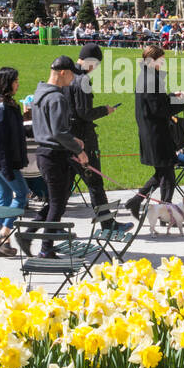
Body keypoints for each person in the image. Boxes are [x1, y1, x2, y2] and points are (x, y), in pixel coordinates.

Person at [29, 56, 89, 257]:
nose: (73, 80)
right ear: (63, 72)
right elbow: (58, 132)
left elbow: (54, 129)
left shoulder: (40, 92)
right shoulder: (56, 98)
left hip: (45, 153)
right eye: (72, 75)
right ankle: (46, 248)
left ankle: (30, 233)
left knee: (59, 200)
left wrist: (73, 140)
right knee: (57, 204)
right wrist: (79, 151)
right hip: (54, 155)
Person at [67, 43, 130, 233]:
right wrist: (106, 110)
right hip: (83, 140)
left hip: (66, 138)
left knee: (62, 191)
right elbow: (85, 113)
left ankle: (40, 227)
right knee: (95, 183)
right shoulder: (82, 80)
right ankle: (108, 225)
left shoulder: (67, 77)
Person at [129, 44, 184, 219]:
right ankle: (162, 212)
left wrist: (172, 95)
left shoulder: (146, 76)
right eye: (161, 58)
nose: (163, 62)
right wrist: (182, 104)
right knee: (167, 173)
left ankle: (139, 201)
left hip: (151, 131)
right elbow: (158, 109)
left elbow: (156, 101)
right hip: (156, 132)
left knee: (164, 172)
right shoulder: (151, 79)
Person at [0, 67, 29, 256]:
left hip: (2, 162)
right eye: (15, 80)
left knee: (4, 201)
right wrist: (7, 168)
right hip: (4, 163)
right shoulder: (0, 108)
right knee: (22, 194)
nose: (18, 84)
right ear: (7, 83)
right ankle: (3, 234)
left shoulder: (7, 105)